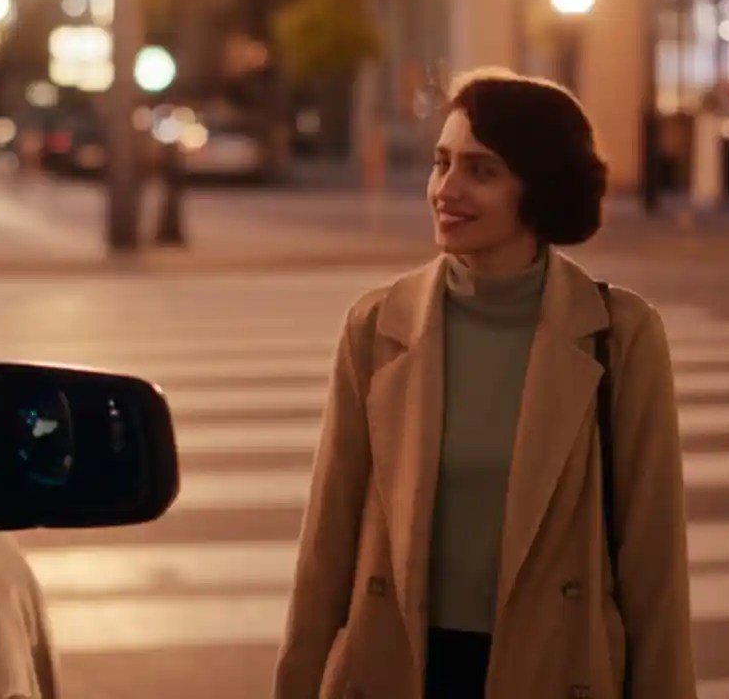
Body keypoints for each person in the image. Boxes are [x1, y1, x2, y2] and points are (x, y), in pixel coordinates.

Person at [272, 67, 698, 699]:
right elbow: (326, 550)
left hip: (550, 671)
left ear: (541, 188)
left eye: (482, 170)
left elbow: (653, 569)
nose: (447, 189)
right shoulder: (377, 326)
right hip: (400, 670)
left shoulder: (621, 335)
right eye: (442, 163)